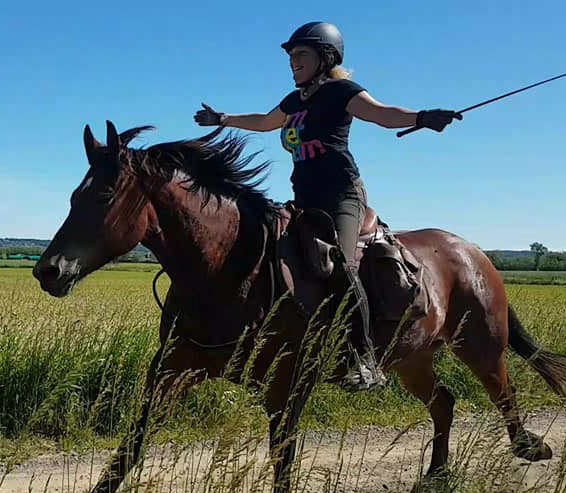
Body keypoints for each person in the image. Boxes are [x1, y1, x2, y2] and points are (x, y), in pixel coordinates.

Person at [194, 21, 460, 392]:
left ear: (326, 57)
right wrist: (222, 119)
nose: (292, 63)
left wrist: (421, 118)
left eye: (300, 55)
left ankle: (364, 357)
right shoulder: (294, 101)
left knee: (344, 265)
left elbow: (382, 113)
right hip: (303, 200)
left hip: (342, 197)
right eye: (290, 57)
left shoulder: (341, 91)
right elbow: (265, 122)